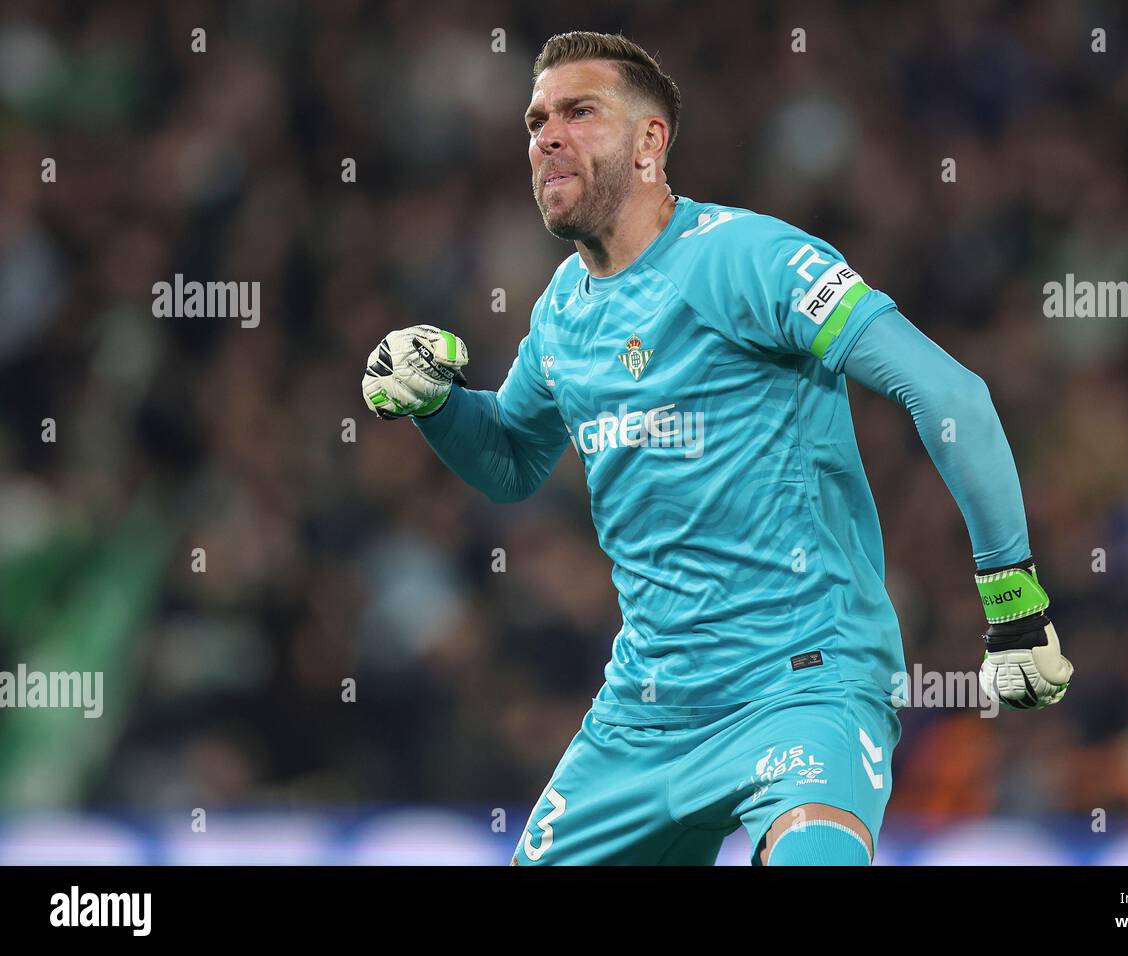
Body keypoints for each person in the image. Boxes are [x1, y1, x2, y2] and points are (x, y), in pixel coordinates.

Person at [361, 31, 1073, 866]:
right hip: (647, 709)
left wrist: (1015, 606)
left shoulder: (752, 257)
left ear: (650, 141)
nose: (546, 136)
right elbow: (512, 462)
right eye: (536, 119)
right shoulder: (562, 312)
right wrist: (439, 405)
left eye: (579, 113)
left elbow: (951, 395)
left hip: (804, 677)